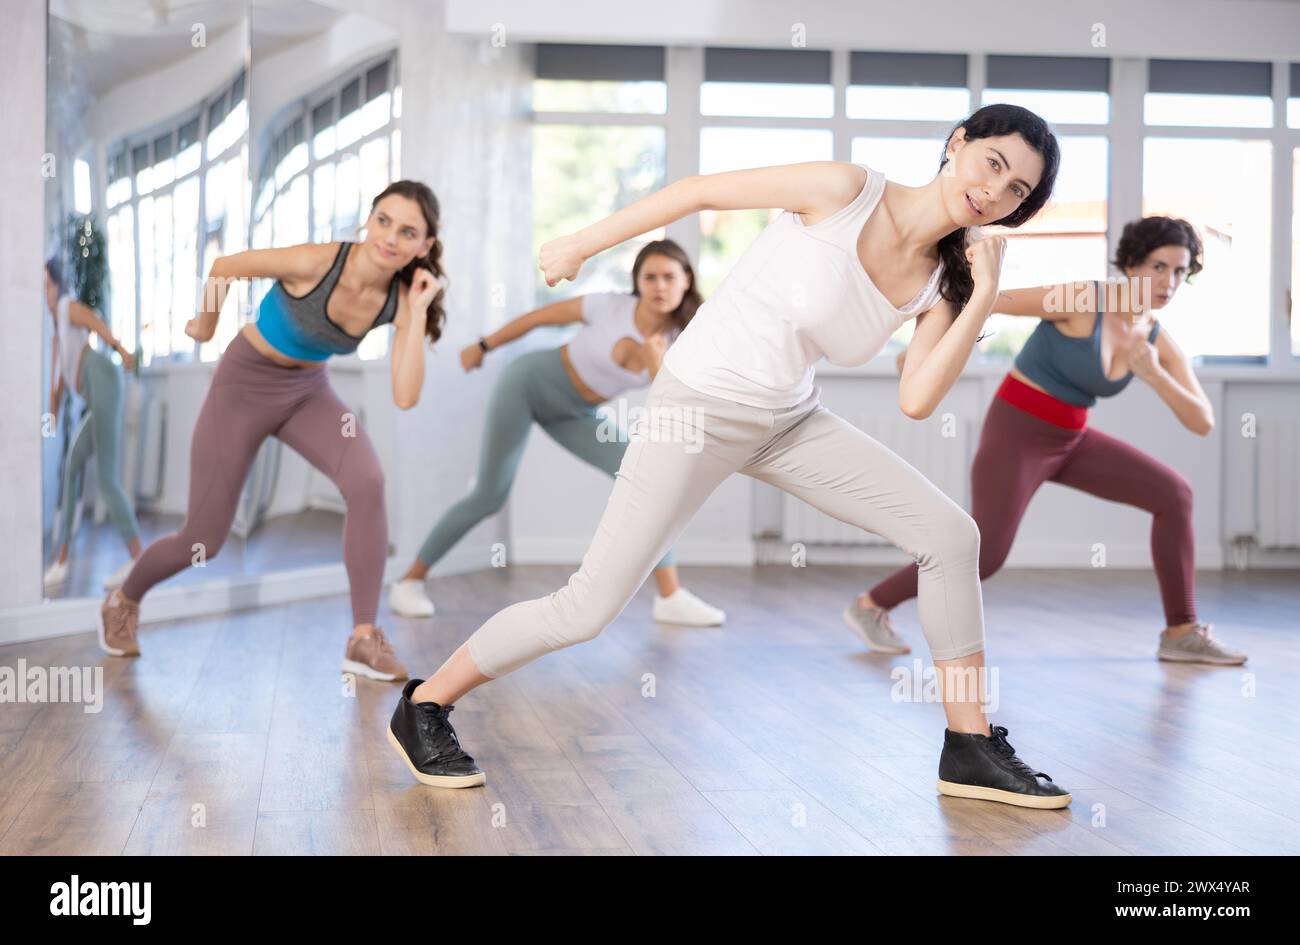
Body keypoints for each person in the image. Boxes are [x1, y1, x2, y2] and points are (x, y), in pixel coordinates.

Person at [387, 105, 1076, 809]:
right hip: (697, 408)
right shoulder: (847, 189)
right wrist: (581, 243)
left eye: (1018, 190)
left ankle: (969, 744)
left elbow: (916, 400)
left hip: (789, 419)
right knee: (585, 608)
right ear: (958, 144)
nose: (996, 191)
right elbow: (699, 191)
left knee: (951, 535)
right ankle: (426, 703)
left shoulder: (945, 281)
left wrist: (984, 295)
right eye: (993, 164)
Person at [850, 215, 1247, 666]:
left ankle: (1181, 631)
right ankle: (870, 605)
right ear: (1132, 263)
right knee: (988, 554)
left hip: (1070, 439)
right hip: (1016, 432)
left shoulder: (1155, 337)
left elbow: (1203, 420)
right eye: (1159, 267)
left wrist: (1155, 375)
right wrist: (923, 350)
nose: (1169, 282)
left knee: (1174, 494)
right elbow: (989, 300)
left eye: (1179, 271)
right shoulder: (1083, 298)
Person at [97, 181, 445, 682]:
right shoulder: (318, 261)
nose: (390, 237)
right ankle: (122, 600)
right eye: (383, 220)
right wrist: (206, 323)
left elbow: (406, 395)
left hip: (307, 391)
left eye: (407, 231)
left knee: (367, 481)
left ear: (423, 247)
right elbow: (226, 267)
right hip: (243, 386)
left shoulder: (400, 298)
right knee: (204, 539)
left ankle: (363, 638)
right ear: (369, 220)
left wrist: (413, 315)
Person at [388, 239, 725, 627]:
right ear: (637, 282)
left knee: (649, 481)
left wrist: (655, 362)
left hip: (574, 413)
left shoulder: (684, 340)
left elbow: (669, 402)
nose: (660, 286)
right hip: (527, 385)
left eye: (669, 277)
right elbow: (541, 317)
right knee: (489, 495)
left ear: (687, 282)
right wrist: (485, 345)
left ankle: (670, 597)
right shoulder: (610, 306)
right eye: (650, 277)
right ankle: (409, 581)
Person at [42, 256, 143, 591]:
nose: (44, 292)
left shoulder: (66, 306)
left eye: (46, 284)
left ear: (57, 286)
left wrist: (119, 347)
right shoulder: (57, 330)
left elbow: (93, 318)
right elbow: (58, 382)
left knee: (107, 478)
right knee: (71, 466)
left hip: (102, 376)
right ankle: (62, 561)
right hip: (96, 388)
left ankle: (138, 559)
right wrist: (47, 423)